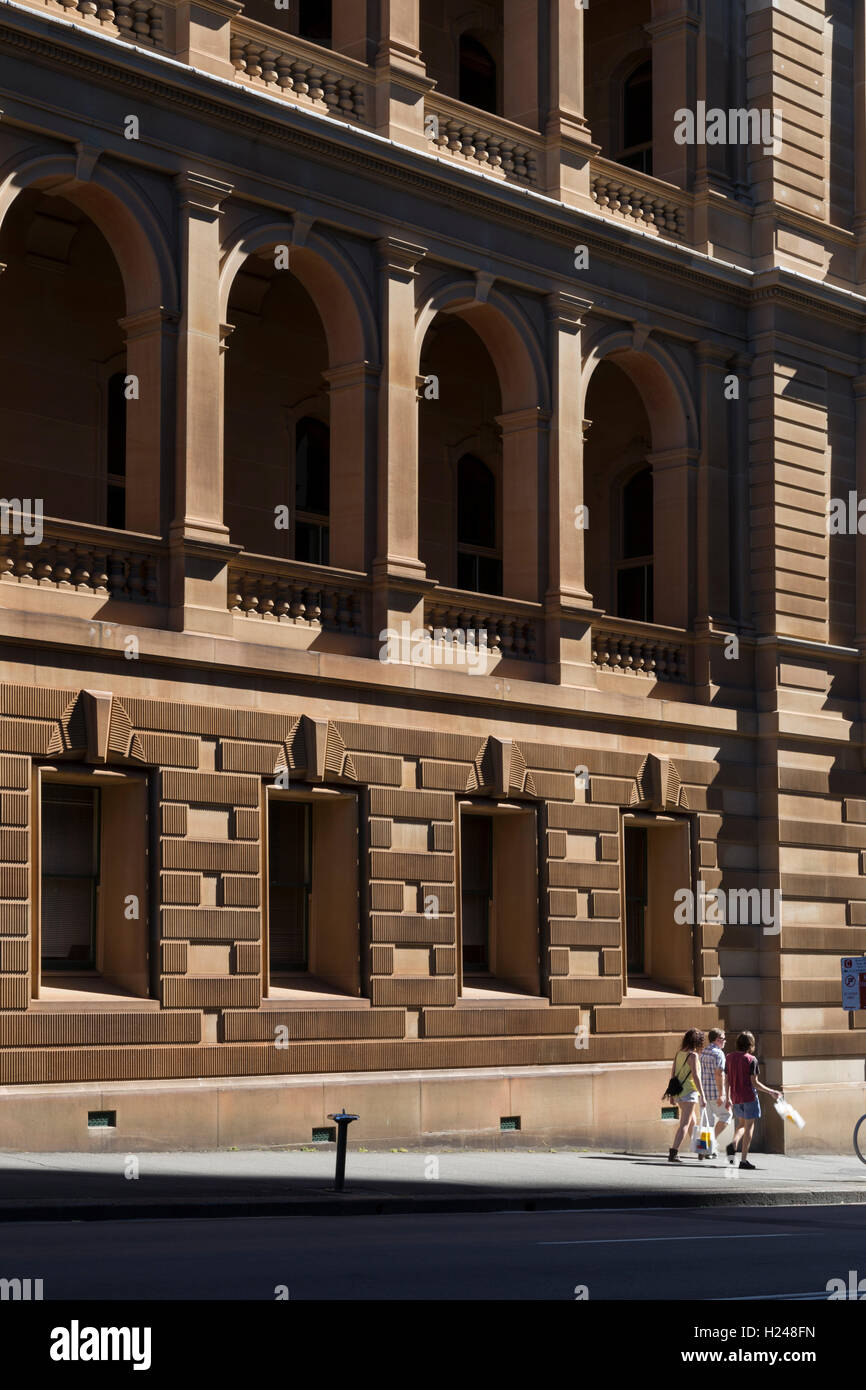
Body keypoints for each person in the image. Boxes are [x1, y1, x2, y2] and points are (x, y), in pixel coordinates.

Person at [726, 1030, 782, 1169]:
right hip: (749, 1097)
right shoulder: (751, 1060)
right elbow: (755, 1083)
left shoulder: (729, 1057)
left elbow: (727, 1079)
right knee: (749, 1127)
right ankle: (743, 1160)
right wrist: (771, 1092)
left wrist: (727, 1097)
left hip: (736, 1096)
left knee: (741, 1125)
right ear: (751, 1044)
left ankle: (733, 1144)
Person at [665, 1028, 707, 1162]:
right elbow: (696, 1076)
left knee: (693, 1123)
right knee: (685, 1124)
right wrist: (702, 1095)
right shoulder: (693, 1056)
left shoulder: (679, 1054)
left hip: (679, 1093)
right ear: (697, 1042)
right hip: (689, 1092)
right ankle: (674, 1152)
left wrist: (671, 1094)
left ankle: (700, 1150)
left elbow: (673, 1074)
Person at [698, 1027, 732, 1158]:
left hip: (704, 1092)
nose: (725, 1041)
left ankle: (704, 1149)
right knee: (726, 1116)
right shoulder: (718, 1053)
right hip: (714, 1092)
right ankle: (710, 1143)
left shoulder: (703, 1052)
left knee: (707, 1122)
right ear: (717, 1040)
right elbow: (719, 1074)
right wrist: (722, 1093)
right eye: (723, 1039)